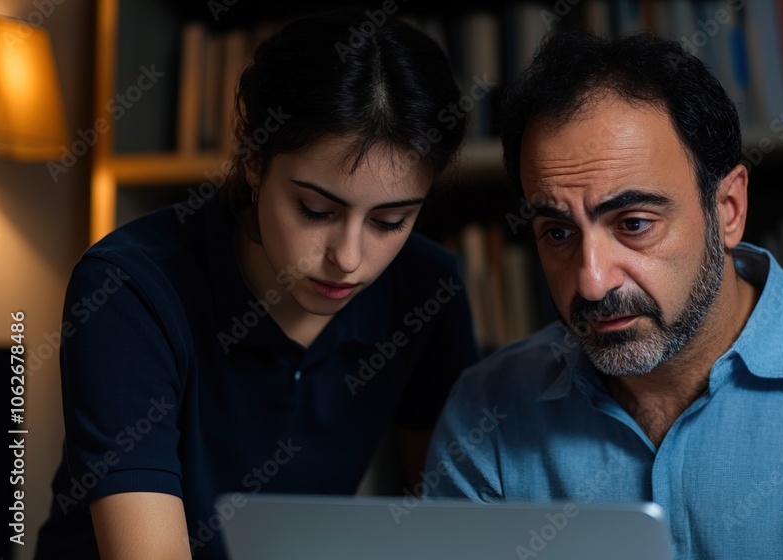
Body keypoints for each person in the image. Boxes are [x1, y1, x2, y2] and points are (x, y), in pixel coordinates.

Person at [424, 29, 783, 558]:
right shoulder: (488, 412)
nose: (592, 280)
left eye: (635, 224)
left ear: (728, 210)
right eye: (557, 234)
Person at [35, 9, 477, 560]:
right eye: (316, 210)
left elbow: (441, 528)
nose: (348, 258)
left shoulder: (425, 289)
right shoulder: (129, 291)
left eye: (391, 222)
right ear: (251, 157)